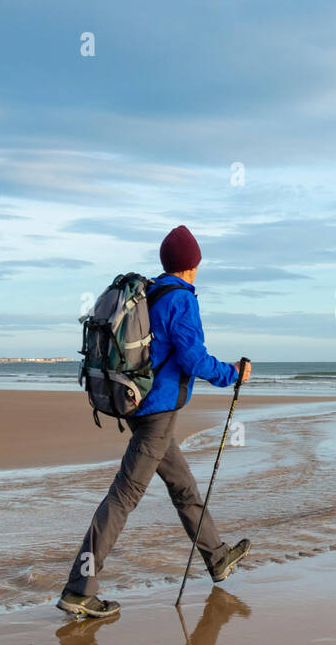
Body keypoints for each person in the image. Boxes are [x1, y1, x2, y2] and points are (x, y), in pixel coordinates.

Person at [58, 224, 252, 618]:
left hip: (140, 405)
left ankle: (217, 558)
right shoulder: (181, 299)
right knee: (123, 497)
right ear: (193, 264)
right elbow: (193, 360)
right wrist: (233, 372)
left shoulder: (152, 292)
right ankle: (79, 590)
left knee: (183, 486)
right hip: (156, 414)